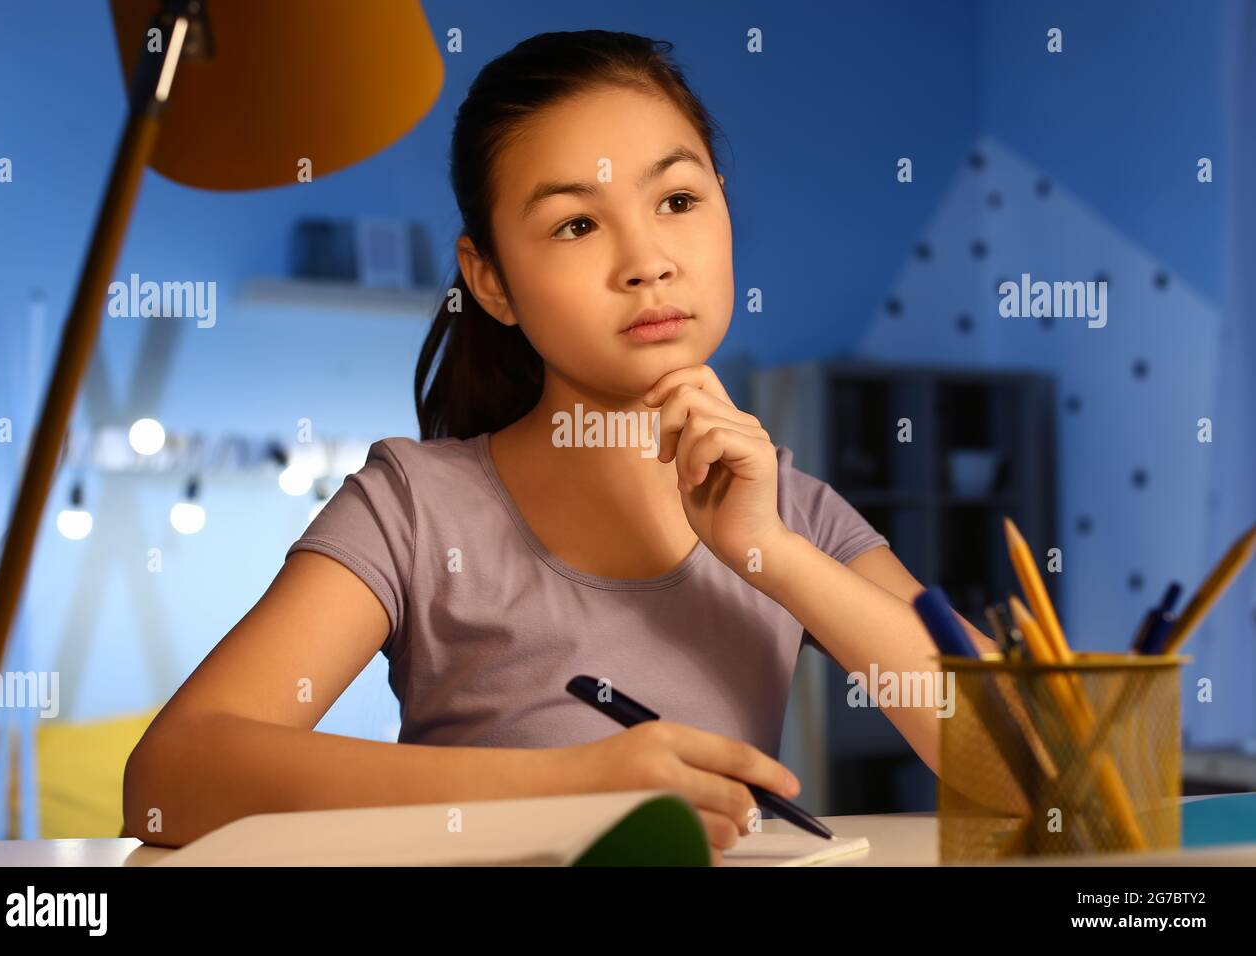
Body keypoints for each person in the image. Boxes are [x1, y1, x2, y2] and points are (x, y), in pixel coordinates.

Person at [124, 30, 995, 864]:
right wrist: (571, 787)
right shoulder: (414, 507)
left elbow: (1031, 764)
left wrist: (771, 554)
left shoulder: (789, 511)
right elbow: (170, 778)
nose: (647, 261)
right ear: (491, 280)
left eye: (679, 201)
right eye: (577, 225)